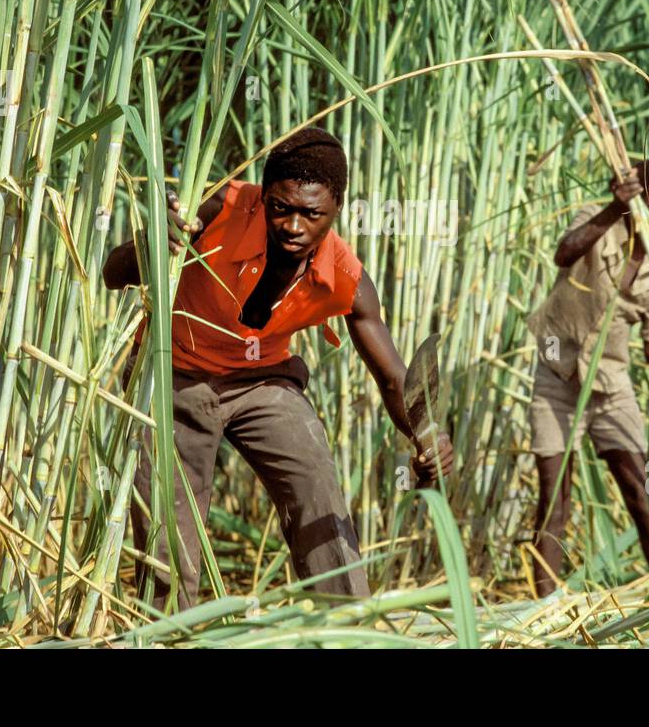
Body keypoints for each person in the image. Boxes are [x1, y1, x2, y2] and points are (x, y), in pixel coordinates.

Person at [103, 127, 455, 611]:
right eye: (280, 208)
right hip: (176, 376)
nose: (293, 226)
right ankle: (169, 634)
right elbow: (111, 273)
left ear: (335, 211)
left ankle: (349, 629)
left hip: (264, 381)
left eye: (312, 214)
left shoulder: (346, 277)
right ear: (264, 197)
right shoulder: (220, 208)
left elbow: (393, 375)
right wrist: (151, 242)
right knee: (167, 531)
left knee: (315, 482)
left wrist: (426, 433)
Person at [525, 159, 649, 597]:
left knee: (640, 489)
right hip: (558, 378)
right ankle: (545, 611)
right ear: (636, 202)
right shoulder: (598, 222)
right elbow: (564, 252)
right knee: (553, 497)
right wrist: (615, 209)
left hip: (612, 387)